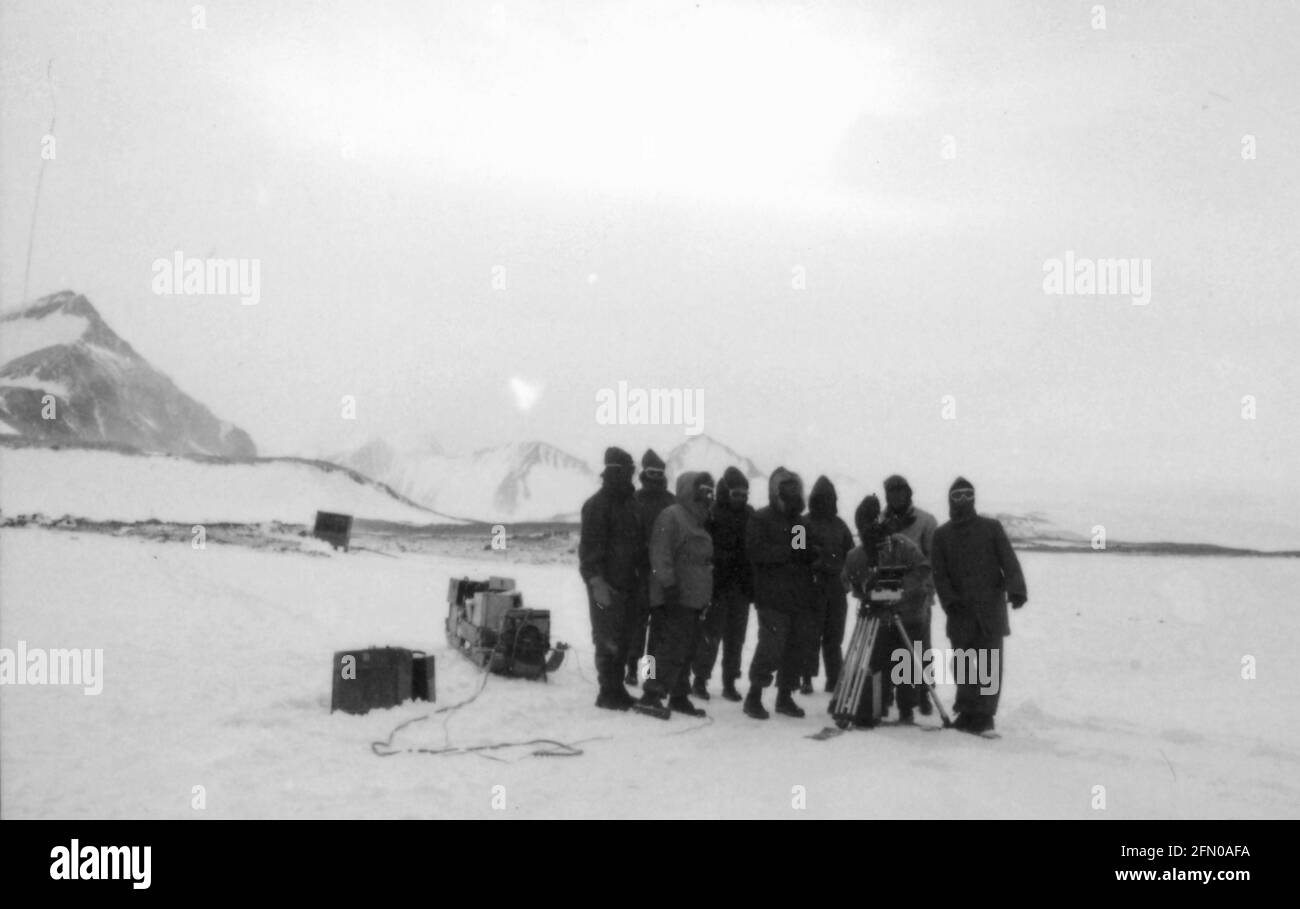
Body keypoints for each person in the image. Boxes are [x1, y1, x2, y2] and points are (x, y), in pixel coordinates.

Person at [930, 477, 1028, 735]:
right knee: (961, 663)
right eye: (957, 495)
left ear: (973, 498)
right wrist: (949, 601)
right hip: (960, 611)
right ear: (950, 500)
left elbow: (1008, 559)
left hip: (990, 609)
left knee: (989, 663)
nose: (962, 500)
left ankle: (984, 716)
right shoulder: (941, 535)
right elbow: (939, 575)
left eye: (967, 495)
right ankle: (966, 710)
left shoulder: (991, 528)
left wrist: (1017, 589)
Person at [842, 495, 932, 724]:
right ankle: (874, 705)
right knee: (877, 661)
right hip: (877, 617)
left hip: (909, 613)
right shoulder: (857, 555)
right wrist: (865, 587)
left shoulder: (901, 545)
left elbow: (922, 570)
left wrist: (895, 587)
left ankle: (907, 708)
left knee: (907, 660)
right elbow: (848, 582)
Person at [635, 471, 715, 719]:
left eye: (710, 490)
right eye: (702, 490)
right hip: (674, 595)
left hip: (694, 598)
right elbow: (659, 554)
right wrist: (668, 585)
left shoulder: (698, 519)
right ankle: (651, 693)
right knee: (667, 646)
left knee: (687, 648)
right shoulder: (672, 516)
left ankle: (679, 695)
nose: (707, 495)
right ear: (689, 490)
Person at [743, 467, 818, 720]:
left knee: (794, 648)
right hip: (771, 596)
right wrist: (787, 552)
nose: (792, 492)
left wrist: (809, 553)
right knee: (771, 647)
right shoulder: (761, 518)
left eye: (795, 487)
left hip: (798, 595)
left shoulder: (799, 522)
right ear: (776, 491)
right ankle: (754, 695)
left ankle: (784, 696)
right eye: (787, 488)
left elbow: (800, 554)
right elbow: (755, 551)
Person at [578, 447, 646, 711]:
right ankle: (608, 692)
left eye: (632, 471)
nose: (631, 476)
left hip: (629, 584)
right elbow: (589, 553)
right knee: (607, 640)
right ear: (614, 471)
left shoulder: (631, 504)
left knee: (625, 638)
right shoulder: (597, 506)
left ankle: (617, 688)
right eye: (627, 471)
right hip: (606, 586)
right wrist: (596, 582)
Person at [690, 466, 754, 702]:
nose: (741, 499)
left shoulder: (750, 515)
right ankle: (700, 679)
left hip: (741, 587)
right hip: (718, 586)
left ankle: (729, 681)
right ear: (726, 492)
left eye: (745, 495)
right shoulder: (712, 514)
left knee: (736, 638)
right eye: (737, 494)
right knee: (710, 636)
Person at [882, 474, 939, 715]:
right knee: (887, 647)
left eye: (900, 492)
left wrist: (928, 589)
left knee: (919, 648)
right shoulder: (880, 521)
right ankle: (888, 694)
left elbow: (933, 560)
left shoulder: (926, 522)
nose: (896, 498)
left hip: (917, 596)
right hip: (886, 594)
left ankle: (923, 693)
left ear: (908, 494)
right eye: (891, 493)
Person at [626, 449, 676, 687]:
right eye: (651, 472)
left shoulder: (671, 502)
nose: (656, 477)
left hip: (662, 575)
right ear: (644, 473)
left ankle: (649, 674)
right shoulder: (634, 500)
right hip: (639, 574)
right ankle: (630, 669)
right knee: (637, 626)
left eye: (659, 473)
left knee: (657, 629)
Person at [802, 476, 855, 694]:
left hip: (836, 587)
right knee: (810, 636)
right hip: (812, 586)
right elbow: (796, 553)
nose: (825, 503)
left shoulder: (841, 525)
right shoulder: (802, 523)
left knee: (834, 636)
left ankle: (834, 678)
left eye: (828, 499)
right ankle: (806, 678)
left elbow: (851, 554)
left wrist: (847, 578)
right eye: (821, 499)